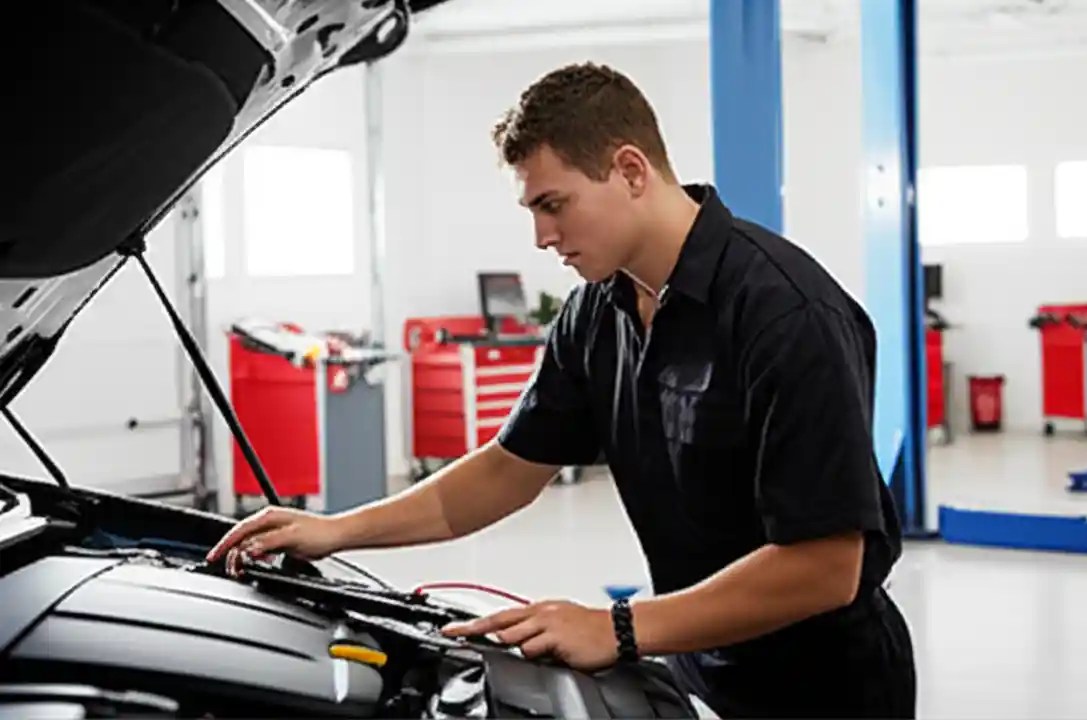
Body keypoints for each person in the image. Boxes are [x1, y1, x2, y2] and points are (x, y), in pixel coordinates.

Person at [207, 61, 916, 718]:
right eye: (532, 211)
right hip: (696, 659)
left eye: (555, 204)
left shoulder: (784, 312)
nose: (543, 237)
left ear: (630, 170)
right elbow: (508, 470)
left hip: (825, 683)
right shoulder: (597, 312)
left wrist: (620, 626)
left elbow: (827, 565)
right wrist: (335, 529)